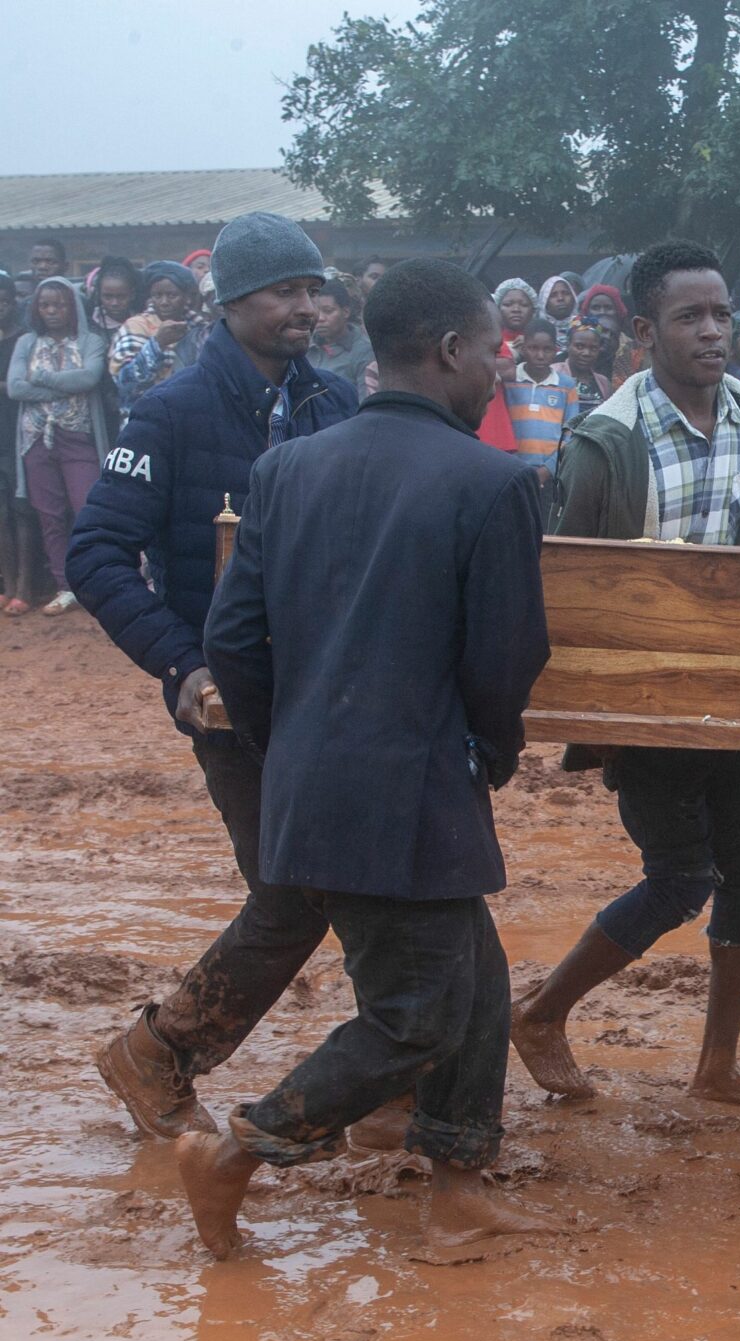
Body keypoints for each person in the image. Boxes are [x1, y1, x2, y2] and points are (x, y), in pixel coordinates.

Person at [179, 256, 557, 1261]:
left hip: (312, 778)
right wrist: (496, 750)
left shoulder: (286, 468)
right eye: (489, 349)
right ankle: (238, 1153)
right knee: (417, 1016)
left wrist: (287, 743)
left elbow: (235, 641)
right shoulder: (493, 482)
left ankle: (456, 1187)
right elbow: (505, 659)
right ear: (446, 351)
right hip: (417, 787)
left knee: (473, 976)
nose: (497, 366)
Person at [70, 211, 357, 1140]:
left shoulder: (338, 405)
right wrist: (180, 662)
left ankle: (394, 1083)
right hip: (234, 705)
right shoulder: (169, 412)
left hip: (335, 694)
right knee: (297, 890)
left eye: (313, 289)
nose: (304, 308)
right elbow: (99, 554)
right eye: (283, 291)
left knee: (355, 881)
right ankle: (158, 1051)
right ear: (228, 303)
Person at [511, 239, 740, 1107]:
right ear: (643, 330)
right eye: (689, 317)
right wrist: (594, 716)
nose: (714, 332)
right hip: (640, 694)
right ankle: (541, 1012)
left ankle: (716, 1065)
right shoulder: (603, 442)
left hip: (731, 687)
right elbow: (571, 586)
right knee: (682, 875)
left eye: (721, 314)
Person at [9, 276, 112, 616]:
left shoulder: (91, 342)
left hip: (78, 437)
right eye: (45, 305)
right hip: (36, 440)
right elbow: (15, 388)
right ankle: (64, 586)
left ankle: (96, 581)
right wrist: (63, 386)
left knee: (87, 508)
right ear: (36, 309)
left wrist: (41, 379)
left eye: (60, 304)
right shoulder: (26, 342)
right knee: (49, 515)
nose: (52, 311)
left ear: (73, 307)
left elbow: (89, 378)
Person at [111, 261, 204, 417]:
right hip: (146, 418)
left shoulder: (200, 328)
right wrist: (157, 344)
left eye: (172, 295)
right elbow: (124, 382)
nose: (164, 302)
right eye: (157, 295)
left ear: (186, 296)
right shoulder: (135, 326)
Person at [0, 286, 38, 614]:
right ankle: (7, 584)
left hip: (17, 433)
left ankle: (26, 586)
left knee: (21, 510)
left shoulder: (26, 340)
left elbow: (21, 386)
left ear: (14, 303)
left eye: (2, 300)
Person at [504, 317, 577, 484]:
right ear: (523, 349)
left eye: (547, 349)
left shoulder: (566, 386)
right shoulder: (509, 381)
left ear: (556, 350)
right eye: (533, 348)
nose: (540, 355)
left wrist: (547, 471)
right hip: (511, 472)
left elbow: (570, 435)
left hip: (550, 475)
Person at [310, 280, 374, 390]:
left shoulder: (364, 352)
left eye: (328, 311)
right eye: (316, 311)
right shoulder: (304, 347)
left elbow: (365, 402)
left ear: (345, 312)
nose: (320, 318)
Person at [561, 319, 613, 408]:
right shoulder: (554, 374)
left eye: (593, 348)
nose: (586, 353)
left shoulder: (604, 383)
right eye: (579, 346)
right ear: (568, 345)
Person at [492, 279, 537, 351]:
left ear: (533, 310)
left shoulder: (544, 340)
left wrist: (534, 347)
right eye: (508, 304)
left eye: (524, 305)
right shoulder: (490, 340)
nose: (516, 309)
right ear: (498, 308)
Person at [538, 274, 580, 352]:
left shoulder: (584, 327)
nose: (560, 298)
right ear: (545, 302)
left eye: (565, 293)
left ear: (573, 297)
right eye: (553, 295)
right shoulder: (537, 330)